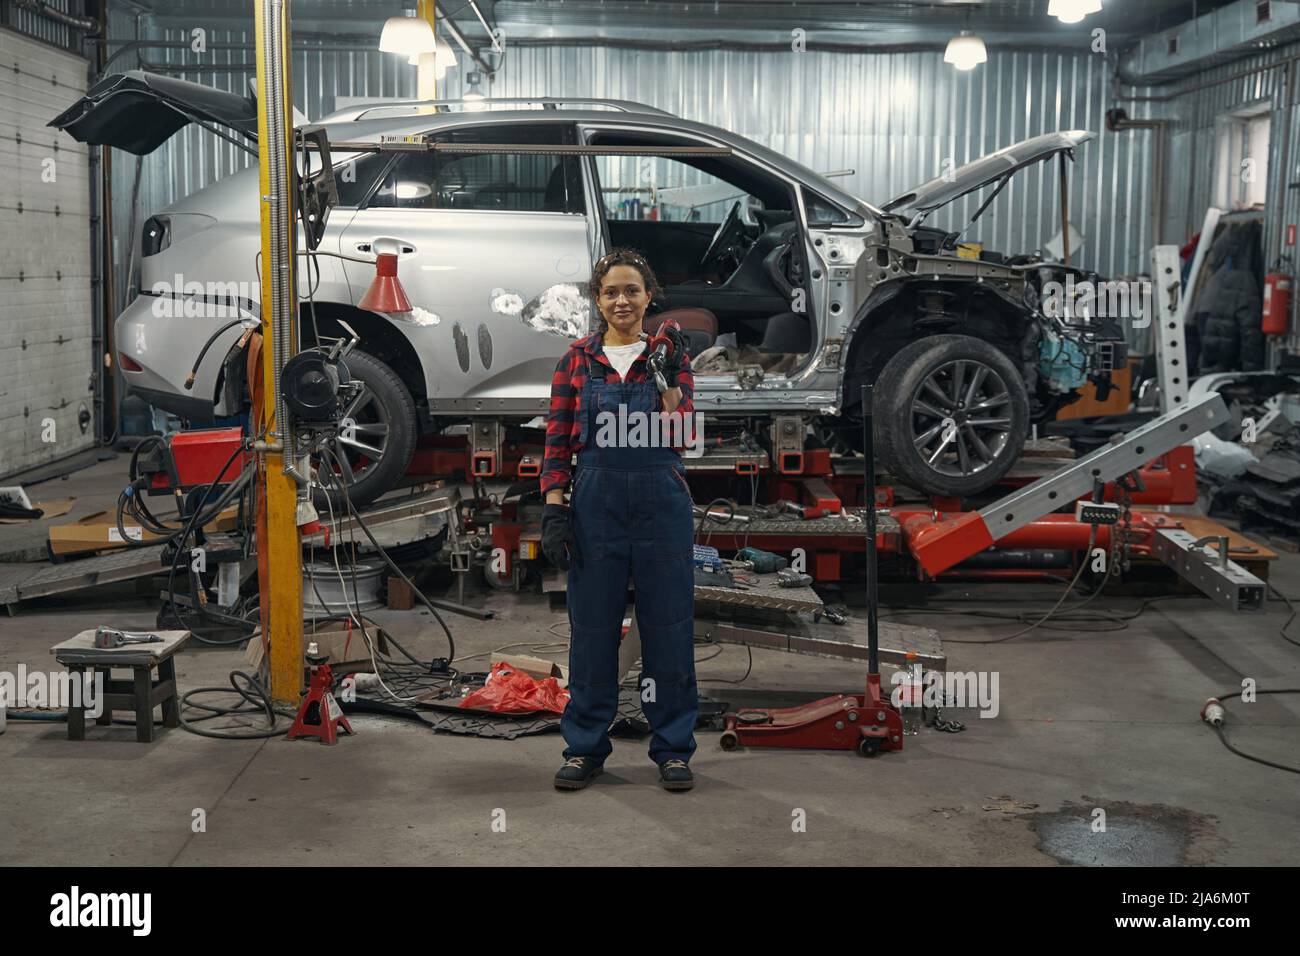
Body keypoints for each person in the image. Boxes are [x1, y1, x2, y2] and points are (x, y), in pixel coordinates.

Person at [540, 248, 699, 792]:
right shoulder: (577, 360)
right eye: (611, 291)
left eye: (632, 290)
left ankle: (674, 750)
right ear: (597, 299)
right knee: (591, 633)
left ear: (648, 296)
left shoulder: (670, 356)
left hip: (662, 500)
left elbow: (682, 435)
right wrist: (555, 509)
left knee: (669, 631)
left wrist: (668, 375)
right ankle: (585, 747)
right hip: (596, 506)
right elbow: (558, 440)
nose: (622, 300)